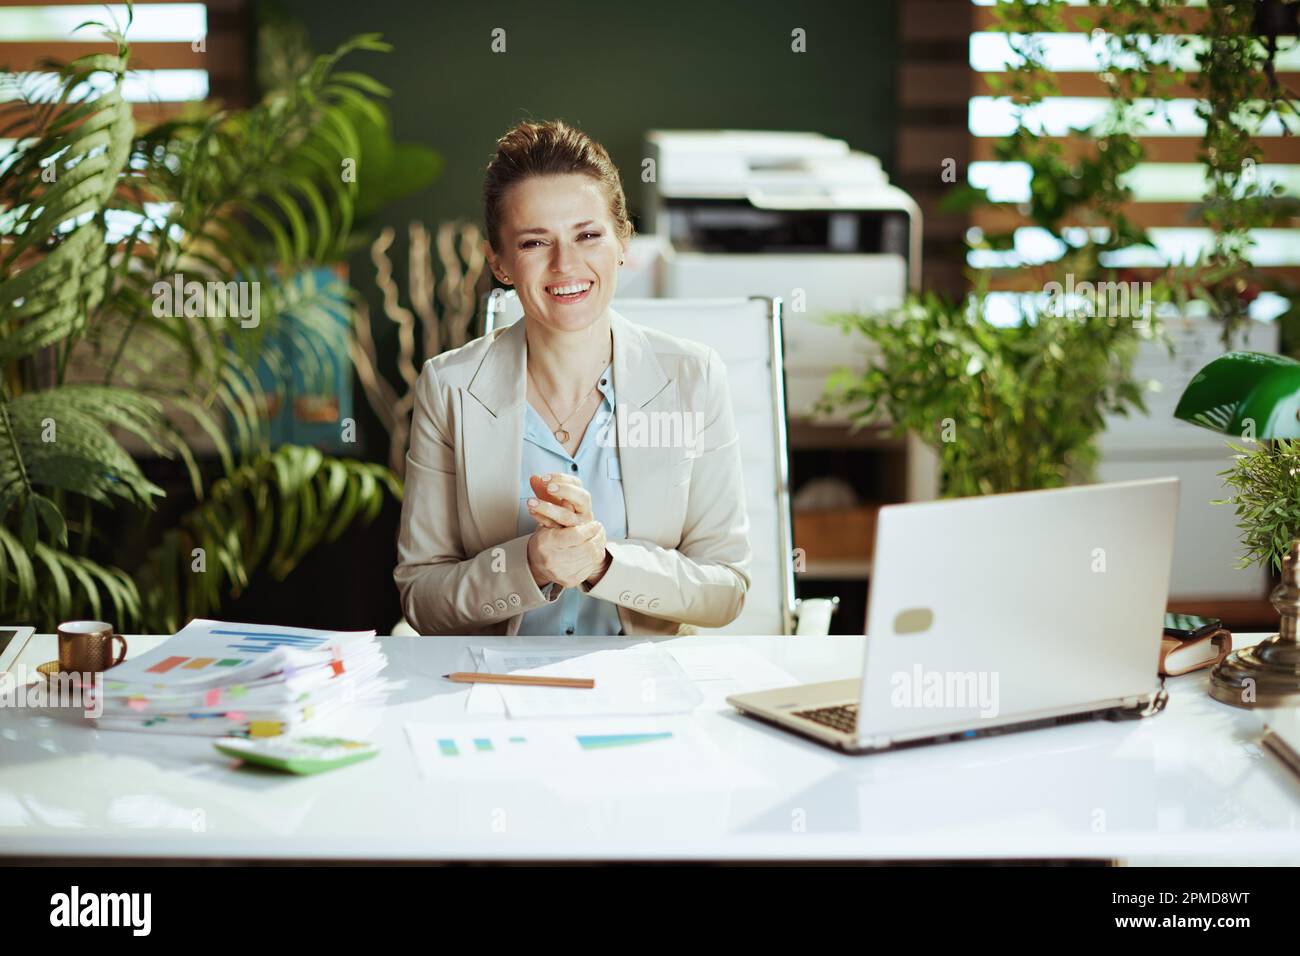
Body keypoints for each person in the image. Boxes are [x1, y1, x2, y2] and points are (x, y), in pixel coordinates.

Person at [394, 119, 751, 636]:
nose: (566, 264)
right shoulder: (449, 387)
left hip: (645, 691)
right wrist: (531, 565)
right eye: (535, 243)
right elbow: (421, 599)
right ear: (499, 262)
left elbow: (726, 589)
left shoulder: (692, 378)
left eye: (588, 235)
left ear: (623, 242)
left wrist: (603, 563)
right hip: (493, 694)